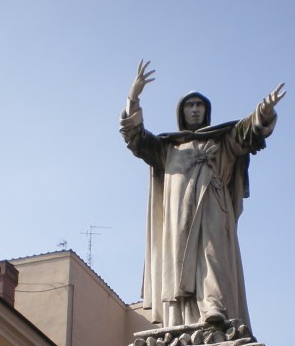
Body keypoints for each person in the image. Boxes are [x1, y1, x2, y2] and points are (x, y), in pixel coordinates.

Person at [121, 60, 285, 329]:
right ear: (181, 112)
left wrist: (263, 112)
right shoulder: (167, 147)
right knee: (177, 264)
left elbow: (247, 133)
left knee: (212, 255)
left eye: (199, 105)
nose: (195, 109)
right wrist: (133, 97)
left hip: (213, 205)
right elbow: (135, 138)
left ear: (206, 111)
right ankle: (178, 322)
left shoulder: (221, 140)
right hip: (177, 216)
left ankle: (214, 307)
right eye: (190, 105)